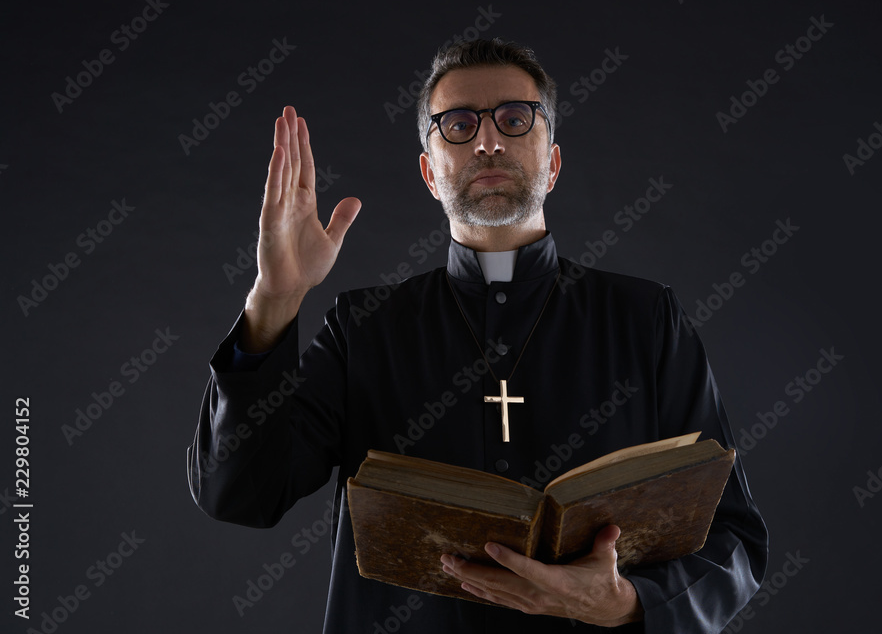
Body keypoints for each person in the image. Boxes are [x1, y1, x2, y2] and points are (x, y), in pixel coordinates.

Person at [186, 38, 767, 633]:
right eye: (458, 125)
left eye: (515, 120)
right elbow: (239, 494)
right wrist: (275, 300)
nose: (489, 141)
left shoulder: (645, 319)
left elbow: (735, 544)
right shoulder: (364, 330)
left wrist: (628, 602)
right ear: (429, 173)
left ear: (554, 161)